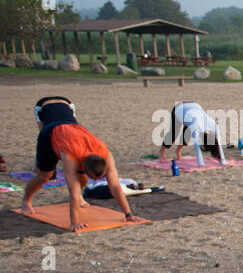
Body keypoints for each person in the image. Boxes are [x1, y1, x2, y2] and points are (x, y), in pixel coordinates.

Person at [21, 96, 146, 231]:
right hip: (50, 134)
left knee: (81, 180)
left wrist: (128, 214)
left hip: (69, 122)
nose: (95, 181)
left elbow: (115, 186)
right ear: (82, 167)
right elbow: (73, 190)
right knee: (44, 176)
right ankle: (26, 200)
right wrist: (74, 222)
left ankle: (81, 197)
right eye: (93, 177)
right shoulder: (71, 158)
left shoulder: (106, 154)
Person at [158, 101, 226, 166]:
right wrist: (201, 164)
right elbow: (197, 147)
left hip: (193, 108)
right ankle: (162, 151)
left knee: (187, 133)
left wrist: (222, 161)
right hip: (179, 109)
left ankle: (178, 151)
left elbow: (218, 144)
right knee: (174, 133)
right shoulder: (196, 128)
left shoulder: (214, 127)